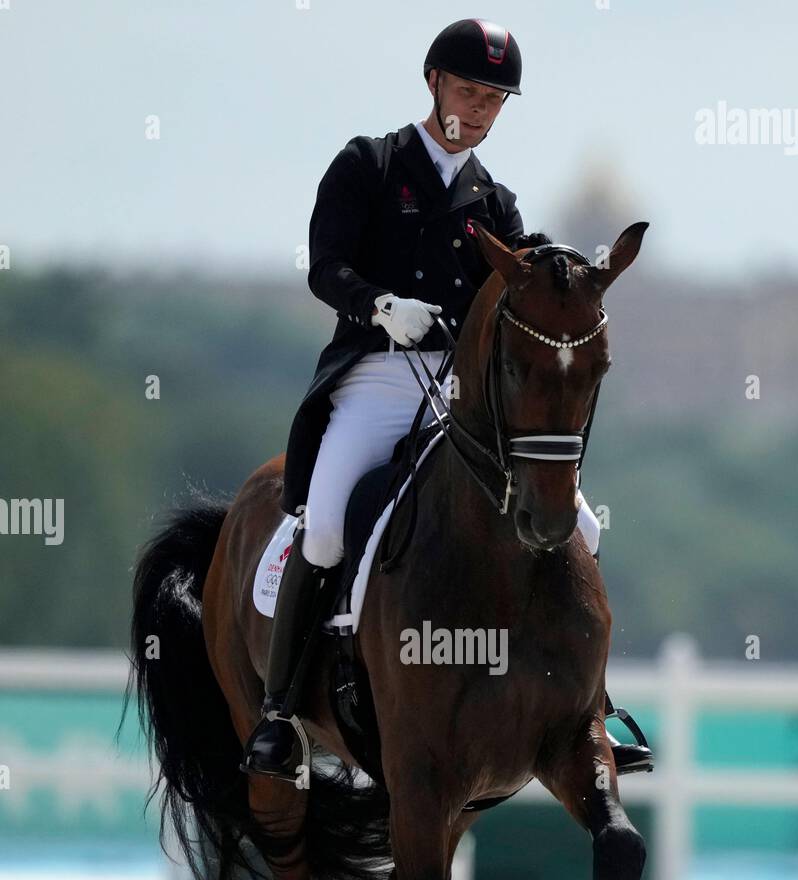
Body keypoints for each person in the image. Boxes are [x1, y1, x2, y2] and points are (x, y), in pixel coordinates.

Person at [242, 18, 649, 780]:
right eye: (469, 91)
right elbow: (323, 267)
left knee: (581, 529)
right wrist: (378, 305)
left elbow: (526, 280)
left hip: (462, 395)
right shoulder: (367, 165)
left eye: (495, 99)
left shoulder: (494, 200)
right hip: (377, 376)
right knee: (326, 528)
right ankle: (279, 714)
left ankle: (590, 709)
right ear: (433, 81)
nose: (481, 109)